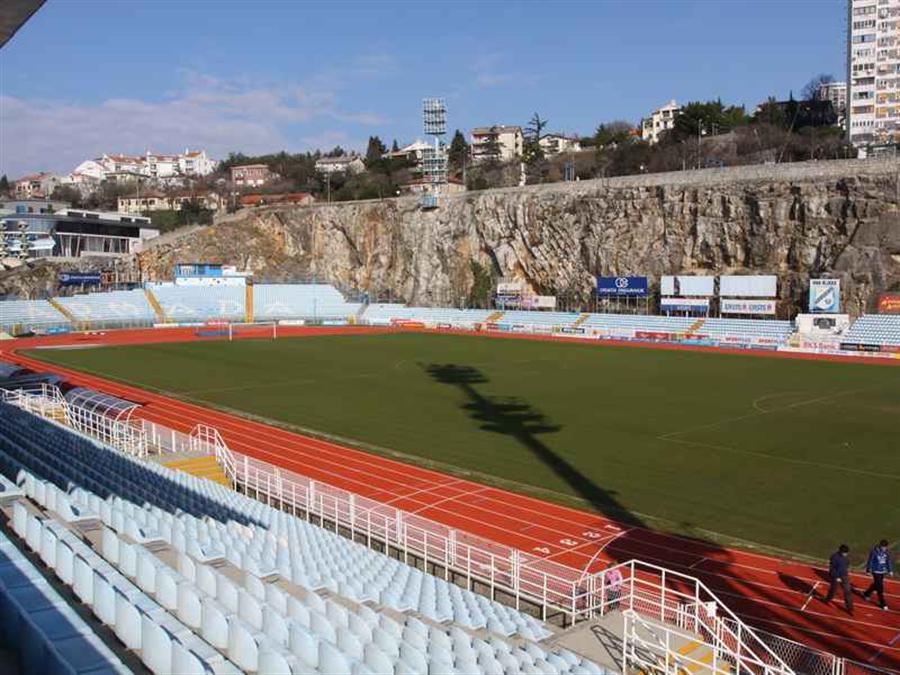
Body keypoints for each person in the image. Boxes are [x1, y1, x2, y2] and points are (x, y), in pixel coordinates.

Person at [864, 540, 894, 610]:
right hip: (875, 571)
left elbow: (888, 561)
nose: (884, 548)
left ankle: (867, 593)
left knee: (876, 584)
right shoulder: (874, 552)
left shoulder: (886, 552)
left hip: (882, 571)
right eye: (883, 547)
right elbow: (870, 561)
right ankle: (883, 603)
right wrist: (868, 570)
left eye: (885, 547)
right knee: (880, 587)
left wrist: (890, 570)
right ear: (880, 546)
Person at [824, 544, 854, 613]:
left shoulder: (846, 558)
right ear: (841, 551)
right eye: (845, 553)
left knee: (847, 591)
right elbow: (832, 568)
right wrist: (836, 577)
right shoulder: (834, 557)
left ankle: (850, 608)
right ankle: (828, 599)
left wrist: (847, 570)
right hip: (835, 576)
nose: (846, 554)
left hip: (844, 575)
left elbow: (847, 564)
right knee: (833, 590)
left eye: (846, 553)